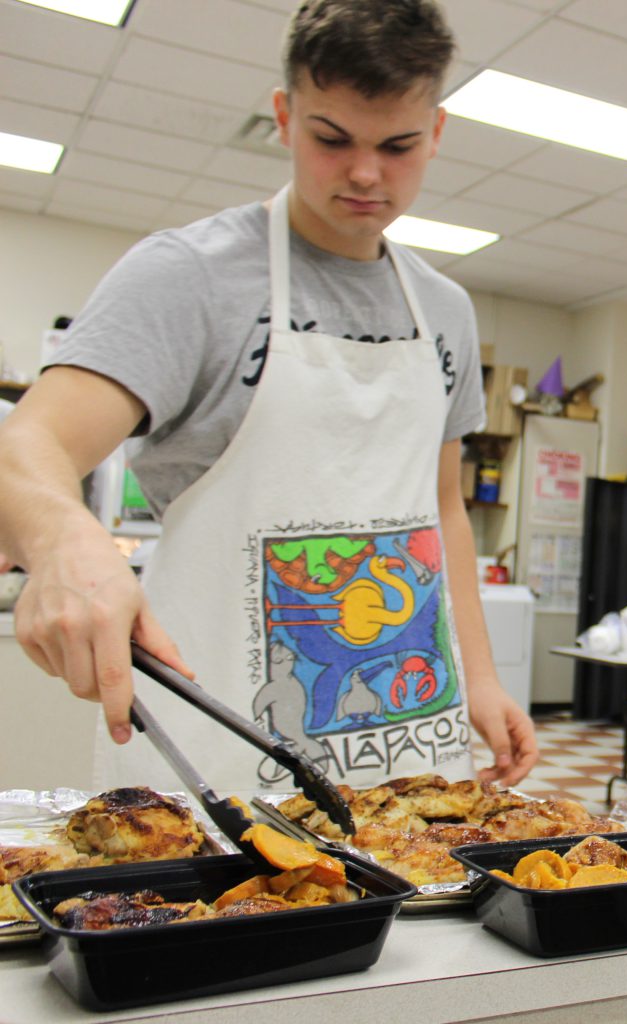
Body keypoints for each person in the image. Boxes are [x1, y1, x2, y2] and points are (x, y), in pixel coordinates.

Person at [0, 0, 538, 794]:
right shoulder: (190, 278)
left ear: (437, 132)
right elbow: (25, 445)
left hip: (410, 753)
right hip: (225, 756)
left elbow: (442, 507)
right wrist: (60, 542)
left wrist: (483, 677)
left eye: (398, 145)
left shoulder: (446, 312)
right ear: (284, 117)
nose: (364, 173)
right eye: (332, 139)